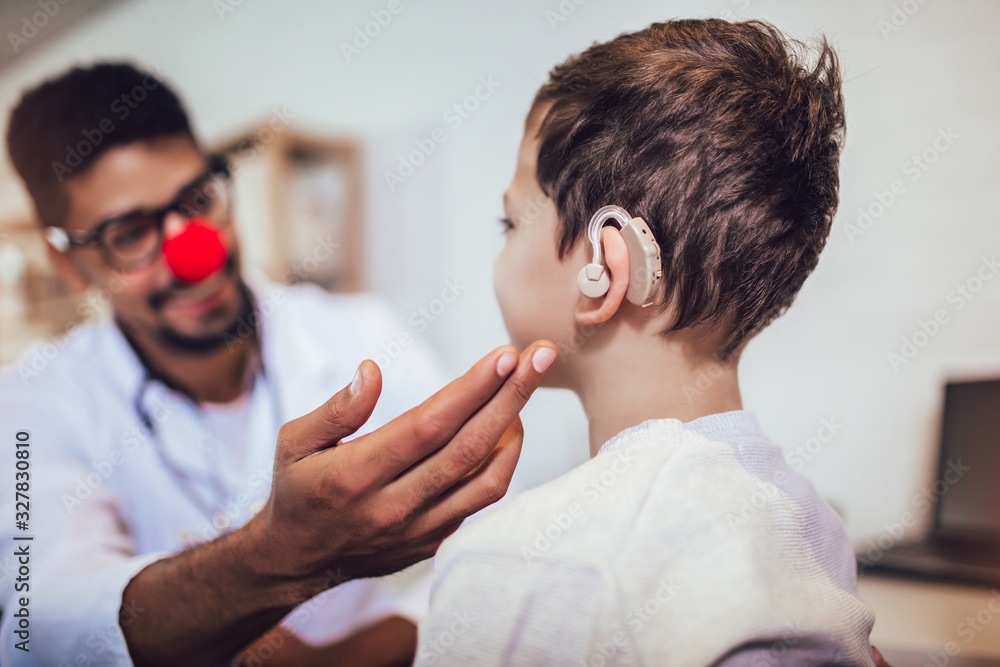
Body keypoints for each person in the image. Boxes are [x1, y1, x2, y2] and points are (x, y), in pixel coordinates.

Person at [0, 63, 557, 667]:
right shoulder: (31, 402)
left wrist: (346, 659)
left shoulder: (359, 333)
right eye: (131, 233)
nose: (196, 253)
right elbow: (42, 623)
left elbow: (504, 543)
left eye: (198, 198)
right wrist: (281, 555)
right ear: (71, 267)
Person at [415, 18, 879, 666]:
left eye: (510, 220)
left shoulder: (517, 560)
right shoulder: (814, 526)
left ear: (604, 267)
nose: (500, 247)